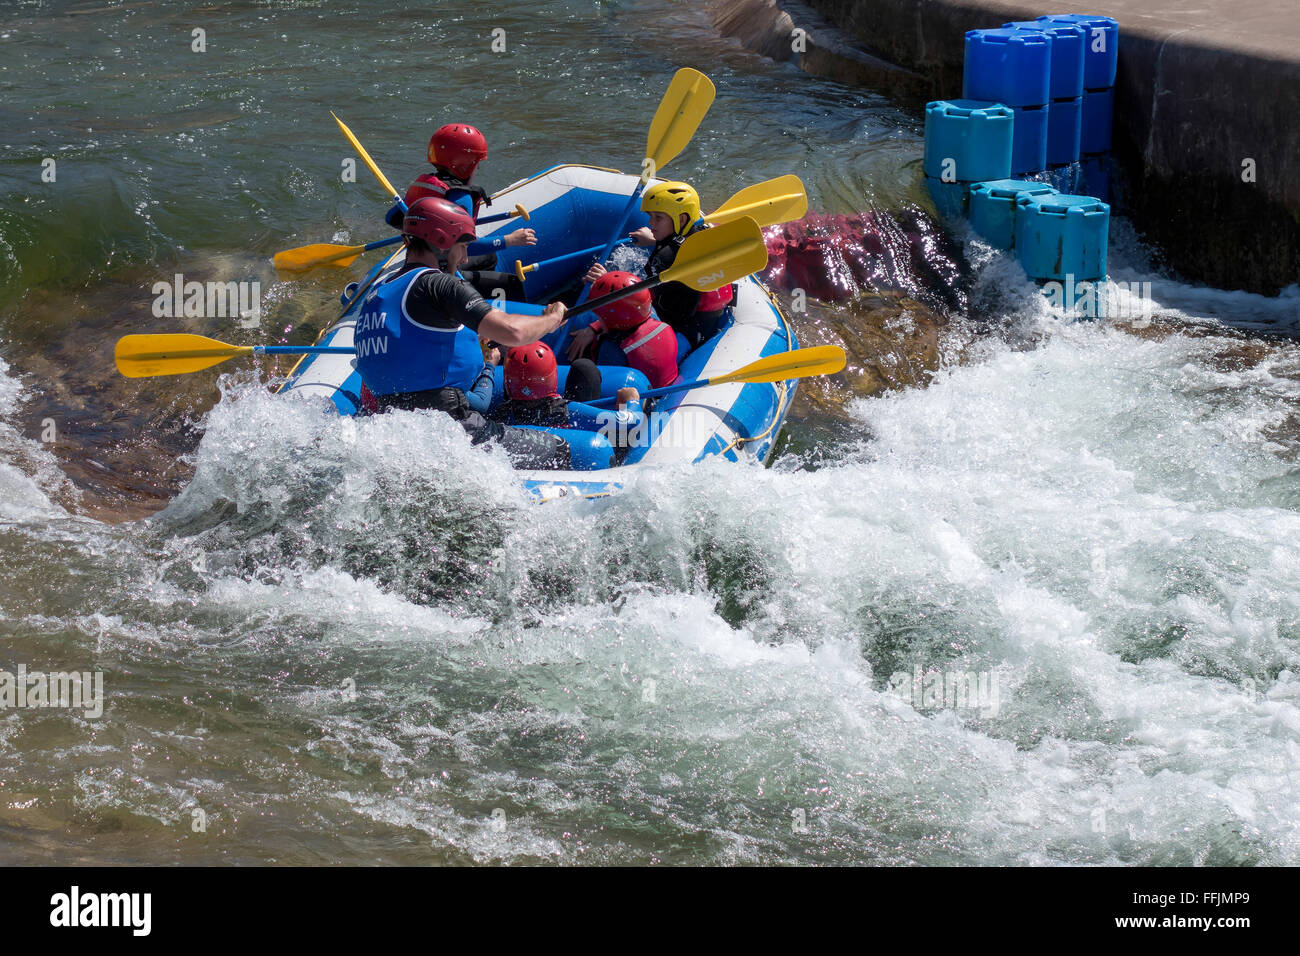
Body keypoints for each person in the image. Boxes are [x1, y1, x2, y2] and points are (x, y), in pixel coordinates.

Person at [355, 196, 570, 468]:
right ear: (441, 242)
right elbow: (512, 332)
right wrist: (553, 318)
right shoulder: (438, 284)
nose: (466, 258)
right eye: (464, 246)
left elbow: (409, 347)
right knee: (560, 450)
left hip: (392, 429)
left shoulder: (378, 292)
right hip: (449, 429)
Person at [385, 123, 533, 300]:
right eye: (477, 163)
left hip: (419, 257)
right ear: (466, 164)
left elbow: (391, 218)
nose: (477, 168)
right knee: (510, 284)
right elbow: (466, 247)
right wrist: (509, 240)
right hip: (442, 269)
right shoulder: (460, 197)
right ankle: (483, 314)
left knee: (489, 258)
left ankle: (475, 295)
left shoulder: (424, 184)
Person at [584, 181, 734, 352]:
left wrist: (605, 282)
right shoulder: (701, 235)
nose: (651, 223)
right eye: (650, 216)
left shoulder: (664, 258)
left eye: (658, 217)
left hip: (680, 332)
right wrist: (657, 240)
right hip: (706, 323)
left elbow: (639, 300)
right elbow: (681, 249)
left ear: (682, 219)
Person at [493, 342, 643, 457]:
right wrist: (632, 401)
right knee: (585, 368)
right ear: (552, 376)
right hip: (579, 454)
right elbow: (630, 420)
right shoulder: (567, 411)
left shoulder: (501, 414)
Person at [563, 270, 679, 389]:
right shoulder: (653, 317)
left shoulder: (612, 351)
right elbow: (626, 309)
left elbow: (595, 384)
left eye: (599, 316)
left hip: (637, 394)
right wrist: (594, 328)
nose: (598, 317)